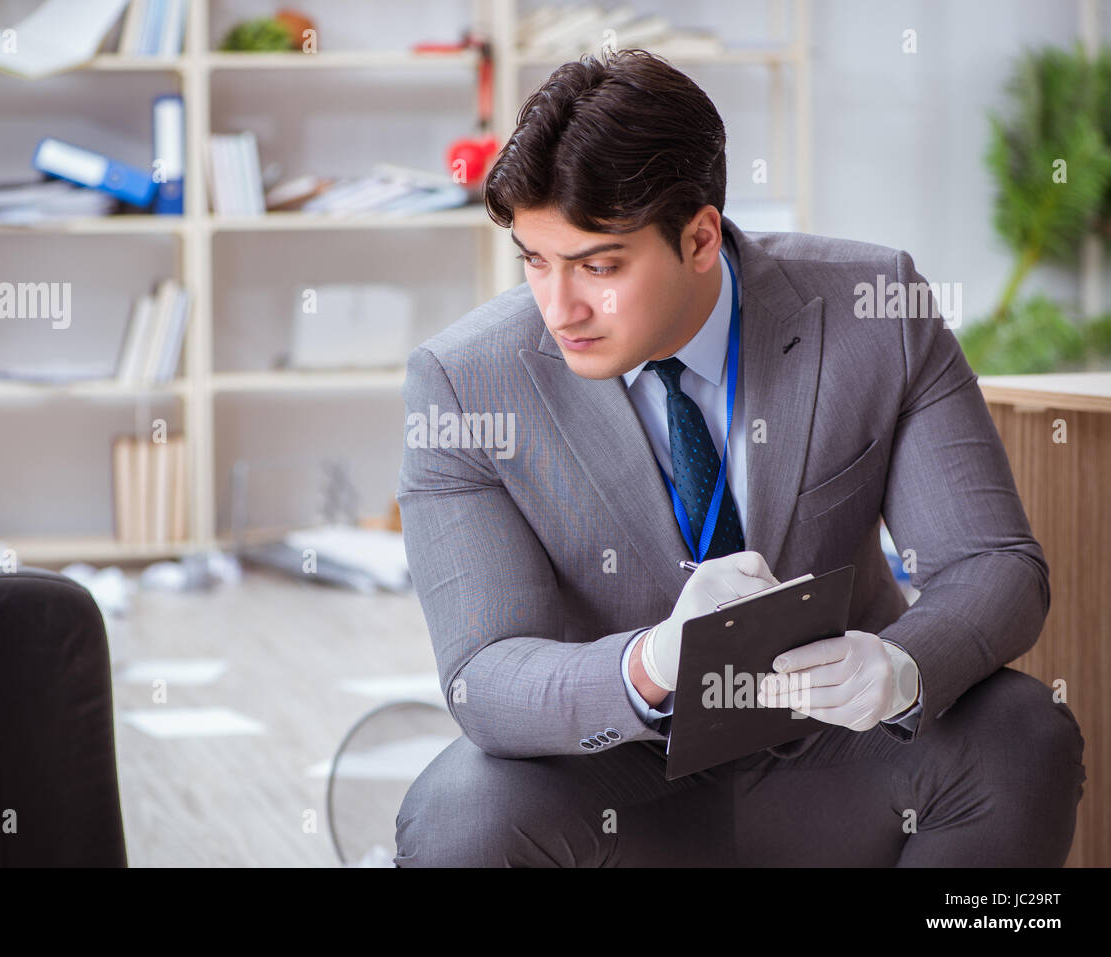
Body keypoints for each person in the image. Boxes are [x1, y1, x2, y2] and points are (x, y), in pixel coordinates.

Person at [393, 49, 1084, 866]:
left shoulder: (874, 307)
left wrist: (899, 665)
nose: (560, 307)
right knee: (457, 817)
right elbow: (485, 674)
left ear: (699, 237)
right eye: (537, 261)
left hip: (839, 748)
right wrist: (652, 660)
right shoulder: (465, 383)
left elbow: (995, 564)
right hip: (619, 774)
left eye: (599, 266)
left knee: (1023, 732)